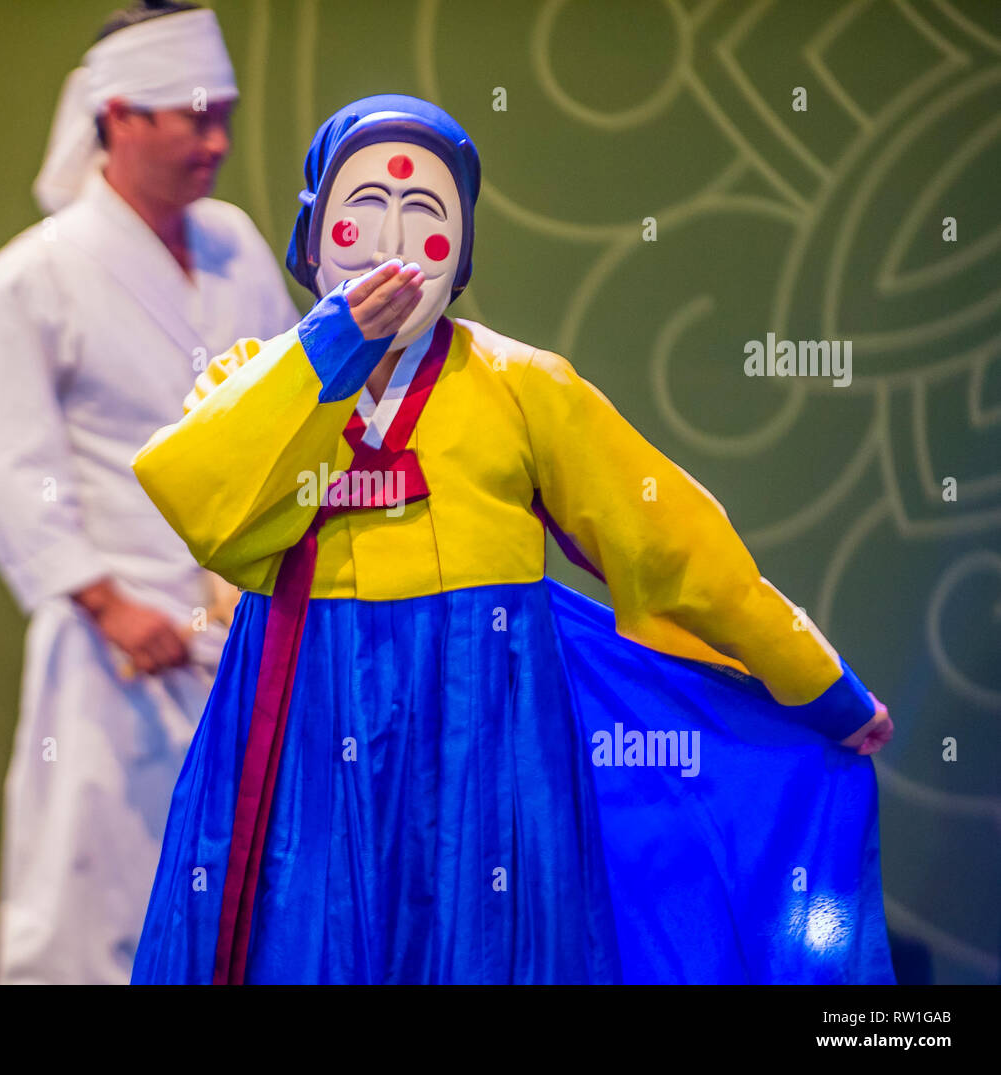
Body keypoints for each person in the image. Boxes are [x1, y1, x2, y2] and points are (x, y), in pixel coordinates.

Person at [127, 94, 896, 985]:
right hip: (305, 722)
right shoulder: (260, 382)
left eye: (426, 215)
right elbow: (196, 501)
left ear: (462, 253)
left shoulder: (525, 387)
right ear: (313, 234)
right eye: (364, 208)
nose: (392, 243)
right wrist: (329, 348)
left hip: (482, 726)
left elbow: (674, 544)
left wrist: (820, 686)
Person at [0, 1, 300, 985]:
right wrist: (105, 600)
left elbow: (282, 420)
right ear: (119, 114)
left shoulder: (235, 249)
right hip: (109, 654)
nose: (218, 142)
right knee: (90, 905)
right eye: (194, 116)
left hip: (237, 637)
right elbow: (4, 466)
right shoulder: (33, 279)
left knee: (240, 905)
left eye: (223, 114)